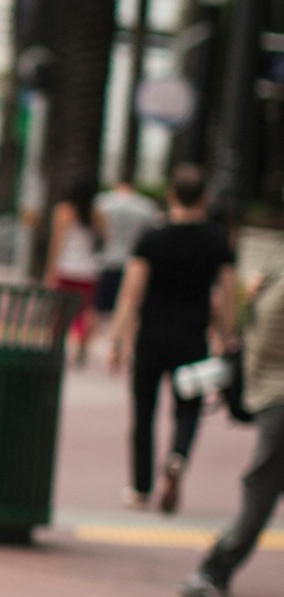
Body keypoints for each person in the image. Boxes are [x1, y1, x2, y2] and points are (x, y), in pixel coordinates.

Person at [109, 165, 237, 512]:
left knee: (144, 412)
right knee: (189, 409)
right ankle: (177, 456)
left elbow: (132, 291)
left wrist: (118, 339)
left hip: (151, 337)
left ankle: (139, 488)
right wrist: (228, 338)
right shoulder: (216, 240)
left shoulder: (152, 238)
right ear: (204, 198)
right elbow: (226, 295)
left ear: (170, 195)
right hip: (192, 339)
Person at [178, 266, 284, 597]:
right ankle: (217, 567)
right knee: (261, 482)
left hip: (278, 397)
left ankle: (217, 566)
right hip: (270, 395)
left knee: (261, 482)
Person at [44, 176, 101, 363]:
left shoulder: (63, 211)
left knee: (60, 310)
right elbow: (104, 239)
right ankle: (82, 347)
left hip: (66, 268)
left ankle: (55, 346)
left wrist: (51, 270)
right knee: (84, 311)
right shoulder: (97, 213)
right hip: (88, 270)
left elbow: (56, 243)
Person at [92, 176, 156, 328]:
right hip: (132, 262)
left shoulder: (102, 202)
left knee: (97, 310)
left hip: (108, 260)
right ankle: (123, 344)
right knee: (130, 307)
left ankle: (86, 346)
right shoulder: (145, 206)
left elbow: (98, 231)